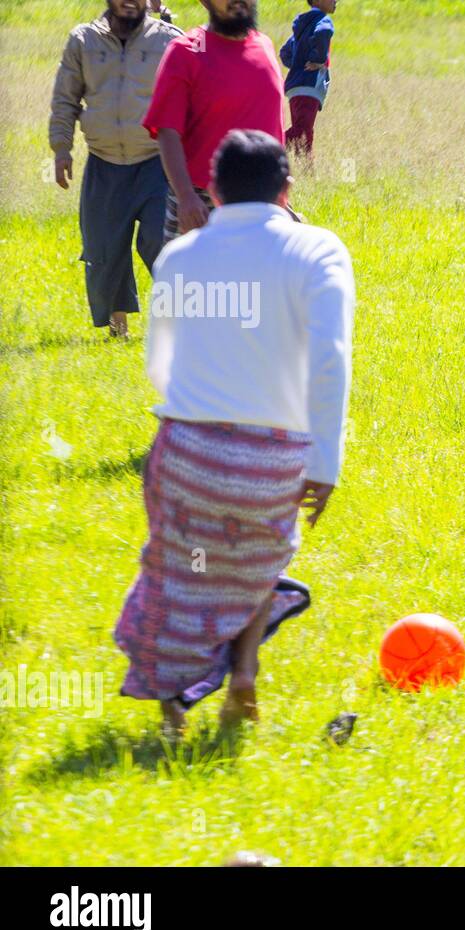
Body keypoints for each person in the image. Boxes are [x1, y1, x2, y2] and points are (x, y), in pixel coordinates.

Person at [114, 130, 355, 736]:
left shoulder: (179, 257)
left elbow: (158, 367)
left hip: (187, 451)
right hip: (271, 459)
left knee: (179, 571)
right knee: (254, 562)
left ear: (213, 190)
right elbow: (330, 359)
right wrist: (324, 462)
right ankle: (243, 672)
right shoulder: (319, 251)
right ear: (287, 189)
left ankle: (171, 707)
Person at [48, 0, 181, 339]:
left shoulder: (168, 41)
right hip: (103, 162)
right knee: (104, 248)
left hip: (156, 162)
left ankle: (182, 320)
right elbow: (66, 97)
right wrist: (62, 148)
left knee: (161, 240)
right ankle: (116, 330)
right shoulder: (83, 41)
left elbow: (189, 99)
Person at [141, 0, 285, 242]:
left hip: (263, 202)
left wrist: (280, 198)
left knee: (257, 280)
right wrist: (186, 197)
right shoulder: (185, 52)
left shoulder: (265, 45)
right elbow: (167, 131)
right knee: (187, 280)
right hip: (200, 206)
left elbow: (272, 126)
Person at [281, 0, 339, 161]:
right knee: (302, 131)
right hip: (309, 86)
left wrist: (298, 65)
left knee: (304, 130)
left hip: (295, 88)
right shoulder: (323, 20)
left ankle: (305, 170)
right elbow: (324, 31)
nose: (336, 1)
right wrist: (318, 59)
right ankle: (265, 151)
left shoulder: (302, 25)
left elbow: (285, 52)